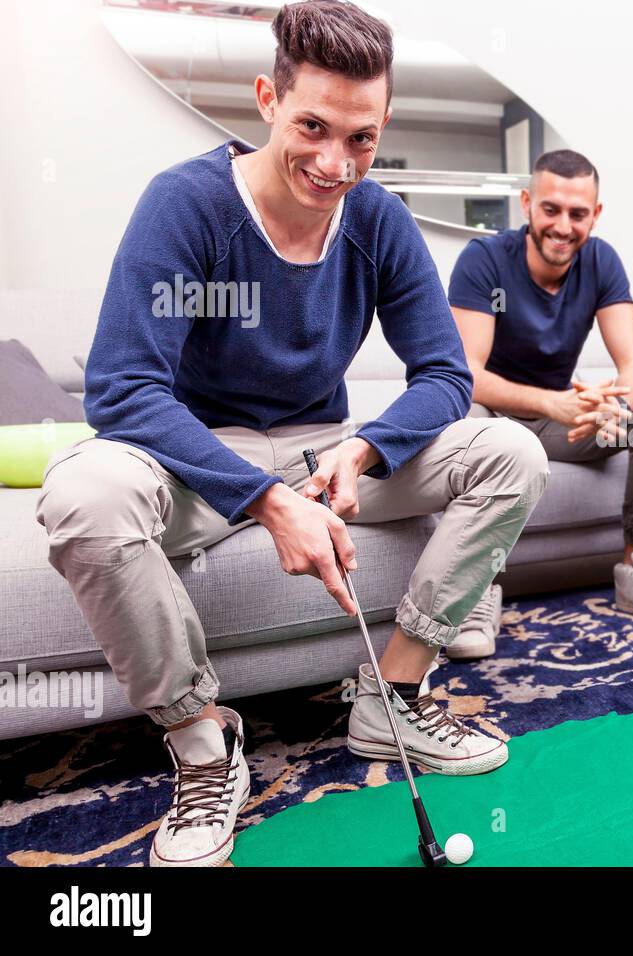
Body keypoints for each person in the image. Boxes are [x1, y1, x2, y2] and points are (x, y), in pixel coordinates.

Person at [35, 0, 548, 867]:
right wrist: (266, 498)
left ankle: (393, 693)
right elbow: (123, 388)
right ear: (268, 98)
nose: (334, 161)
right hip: (199, 458)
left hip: (326, 448)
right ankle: (203, 745)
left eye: (361, 139)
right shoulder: (186, 204)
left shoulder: (377, 219)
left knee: (511, 450)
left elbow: (446, 376)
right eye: (313, 126)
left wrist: (365, 449)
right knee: (86, 493)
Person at [449, 149, 633, 628]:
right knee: (467, 417)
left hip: (568, 424)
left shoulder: (600, 261)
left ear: (595, 215)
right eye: (551, 209)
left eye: (578, 214)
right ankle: (474, 589)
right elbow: (468, 373)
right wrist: (551, 403)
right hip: (498, 420)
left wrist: (618, 406)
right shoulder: (484, 260)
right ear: (527, 204)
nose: (563, 226)